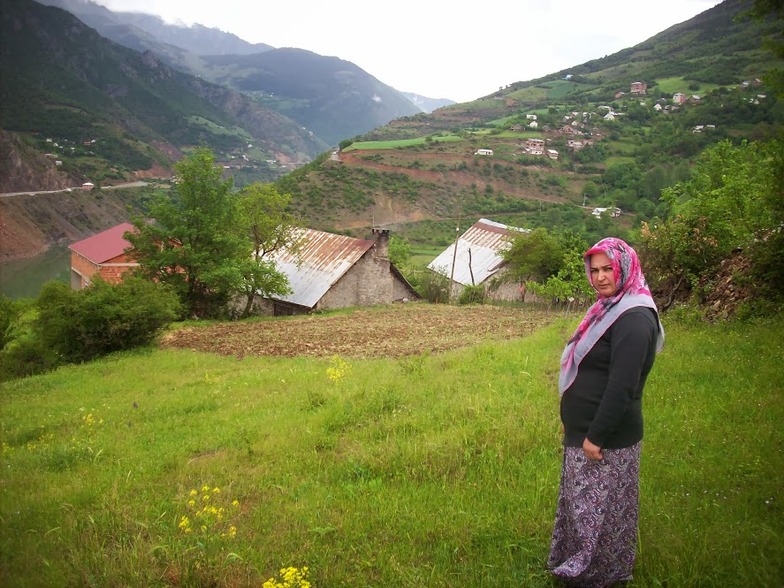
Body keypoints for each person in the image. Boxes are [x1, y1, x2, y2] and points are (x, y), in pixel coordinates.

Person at [547, 237, 665, 587]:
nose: (599, 277)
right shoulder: (609, 308)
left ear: (625, 268)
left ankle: (596, 576)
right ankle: (579, 567)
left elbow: (623, 387)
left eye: (607, 268)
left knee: (598, 513)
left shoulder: (634, 318)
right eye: (594, 270)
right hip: (585, 432)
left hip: (606, 439)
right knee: (581, 508)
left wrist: (596, 436)